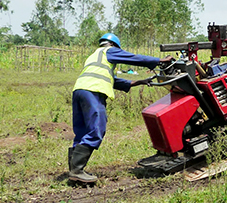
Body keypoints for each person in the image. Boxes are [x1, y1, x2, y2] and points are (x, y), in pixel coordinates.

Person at [68, 33, 168, 184]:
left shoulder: (94, 56)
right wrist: (158, 61)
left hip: (79, 91)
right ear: (113, 45)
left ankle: (74, 170)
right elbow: (133, 58)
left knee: (82, 131)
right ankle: (77, 171)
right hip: (93, 92)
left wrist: (139, 82)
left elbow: (113, 80)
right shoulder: (109, 51)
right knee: (96, 129)